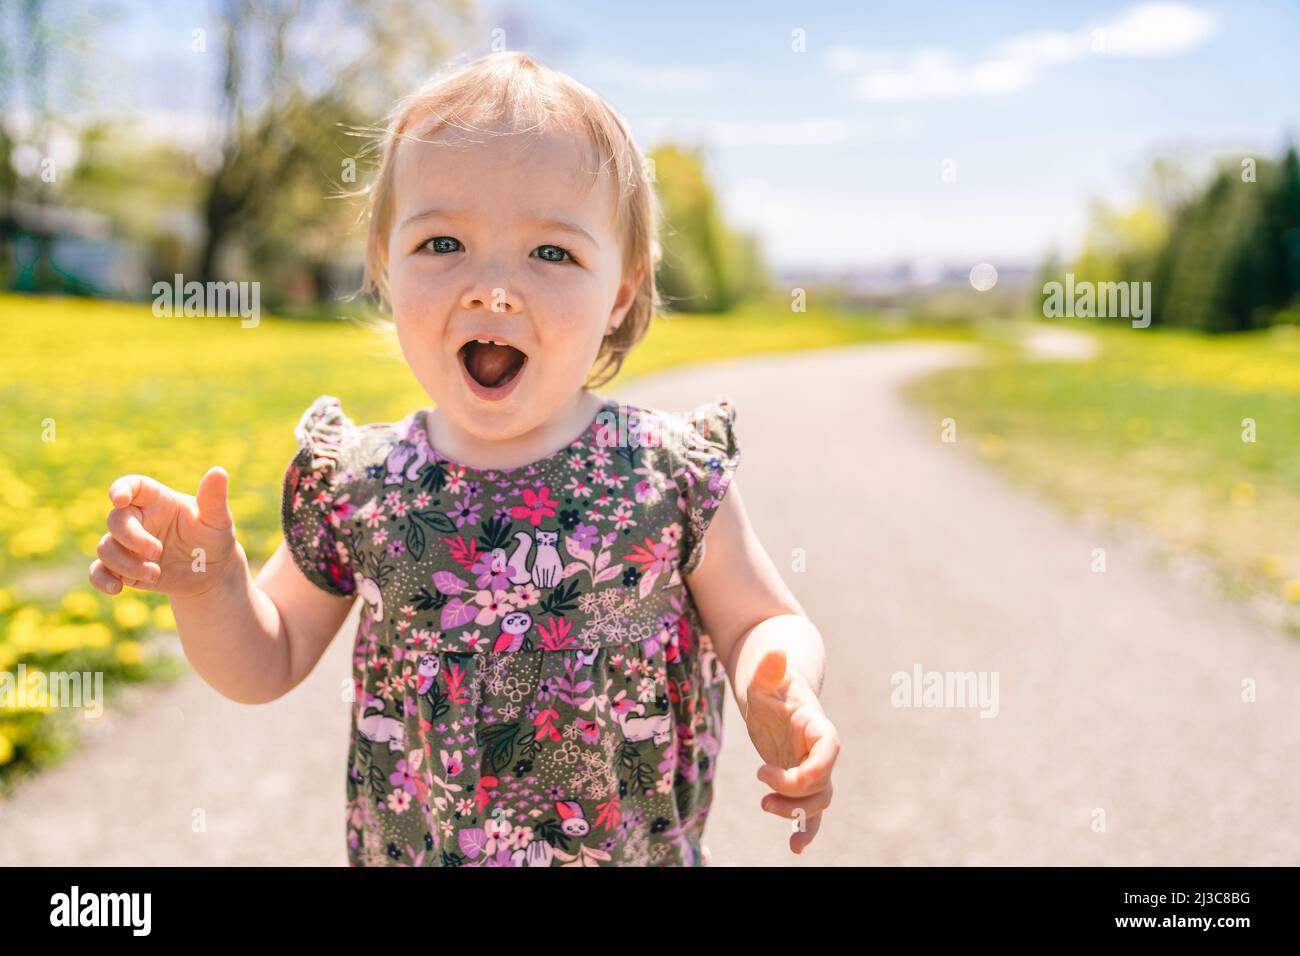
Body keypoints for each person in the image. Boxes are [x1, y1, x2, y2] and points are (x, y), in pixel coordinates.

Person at [89, 50, 839, 866]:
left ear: (619, 291)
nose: (493, 289)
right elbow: (265, 660)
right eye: (443, 241)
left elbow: (762, 618)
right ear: (385, 266)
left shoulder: (668, 477)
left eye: (551, 254)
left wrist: (776, 677)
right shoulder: (364, 486)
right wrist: (212, 586)